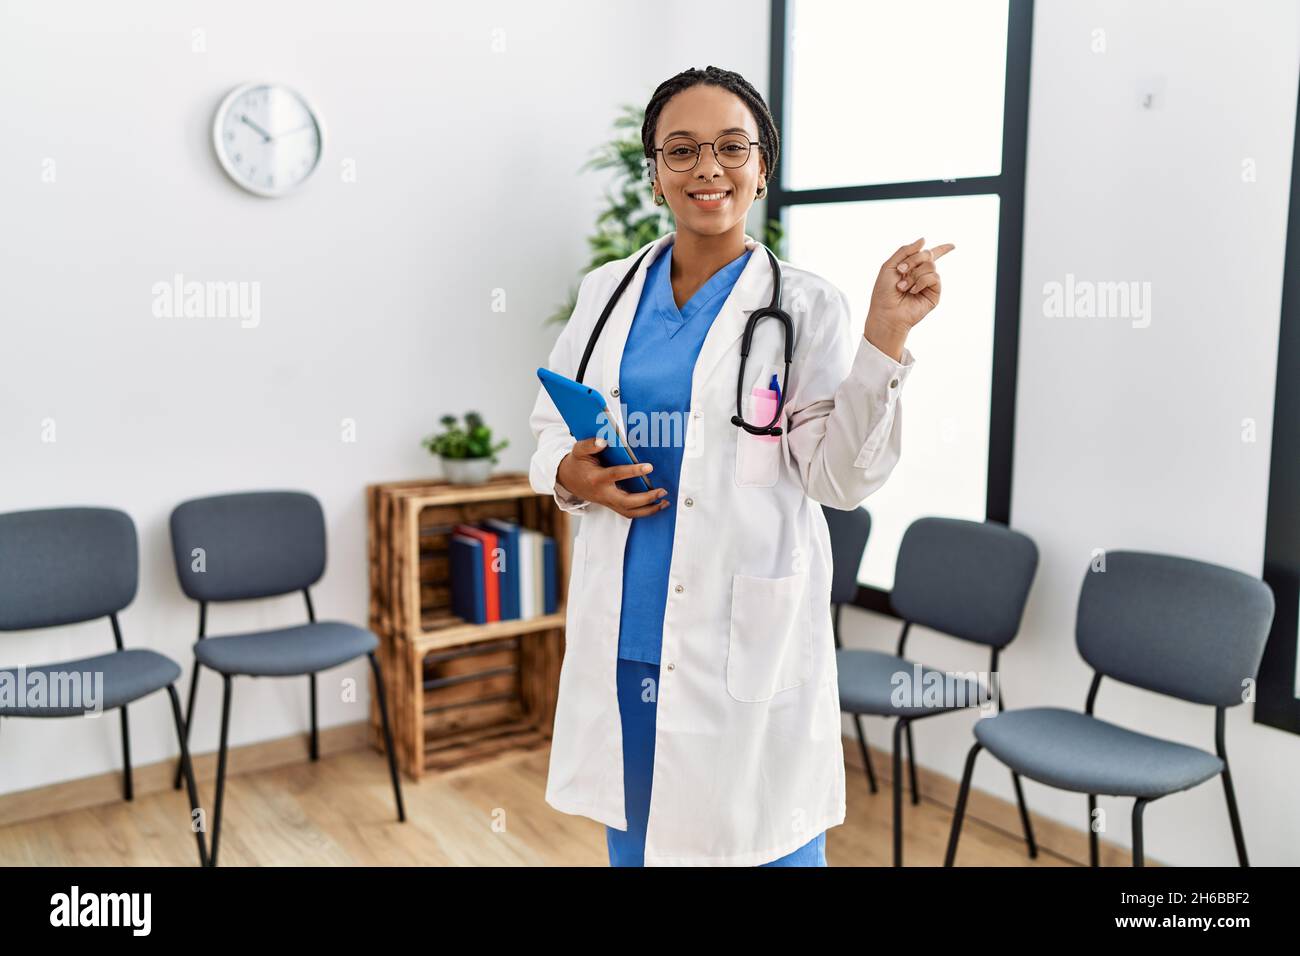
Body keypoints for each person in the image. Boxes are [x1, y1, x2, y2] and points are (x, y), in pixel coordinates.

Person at [529, 65, 952, 866]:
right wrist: (570, 475)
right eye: (681, 150)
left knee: (766, 842)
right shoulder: (605, 294)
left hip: (744, 624)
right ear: (653, 172)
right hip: (628, 627)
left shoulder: (807, 306)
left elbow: (839, 480)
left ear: (763, 165)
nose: (707, 169)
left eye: (731, 147)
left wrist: (886, 338)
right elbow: (552, 425)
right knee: (641, 841)